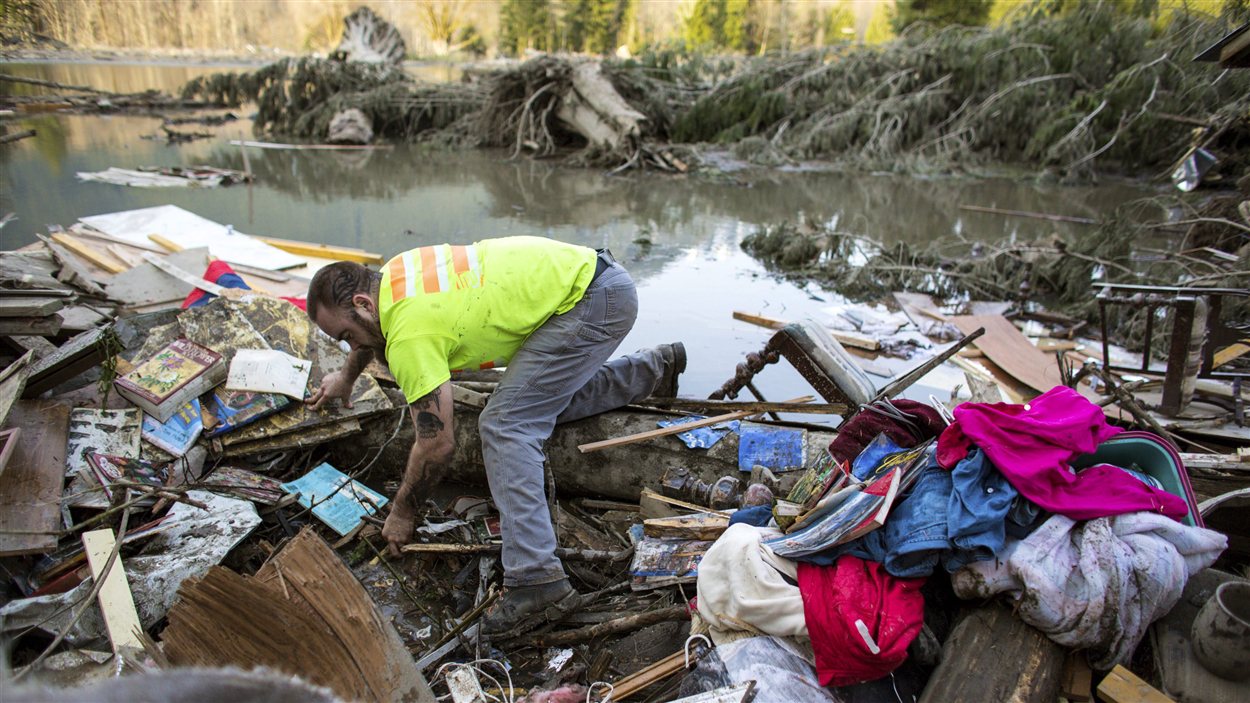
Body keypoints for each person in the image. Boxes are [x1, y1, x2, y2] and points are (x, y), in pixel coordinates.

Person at [305, 235, 684, 637]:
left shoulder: (408, 334)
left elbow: (437, 445)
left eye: (346, 336)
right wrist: (346, 377)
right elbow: (370, 330)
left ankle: (537, 580)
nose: (351, 344)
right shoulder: (394, 277)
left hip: (591, 302)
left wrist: (402, 513)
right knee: (533, 400)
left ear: (363, 304)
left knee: (506, 424)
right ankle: (654, 370)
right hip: (595, 285)